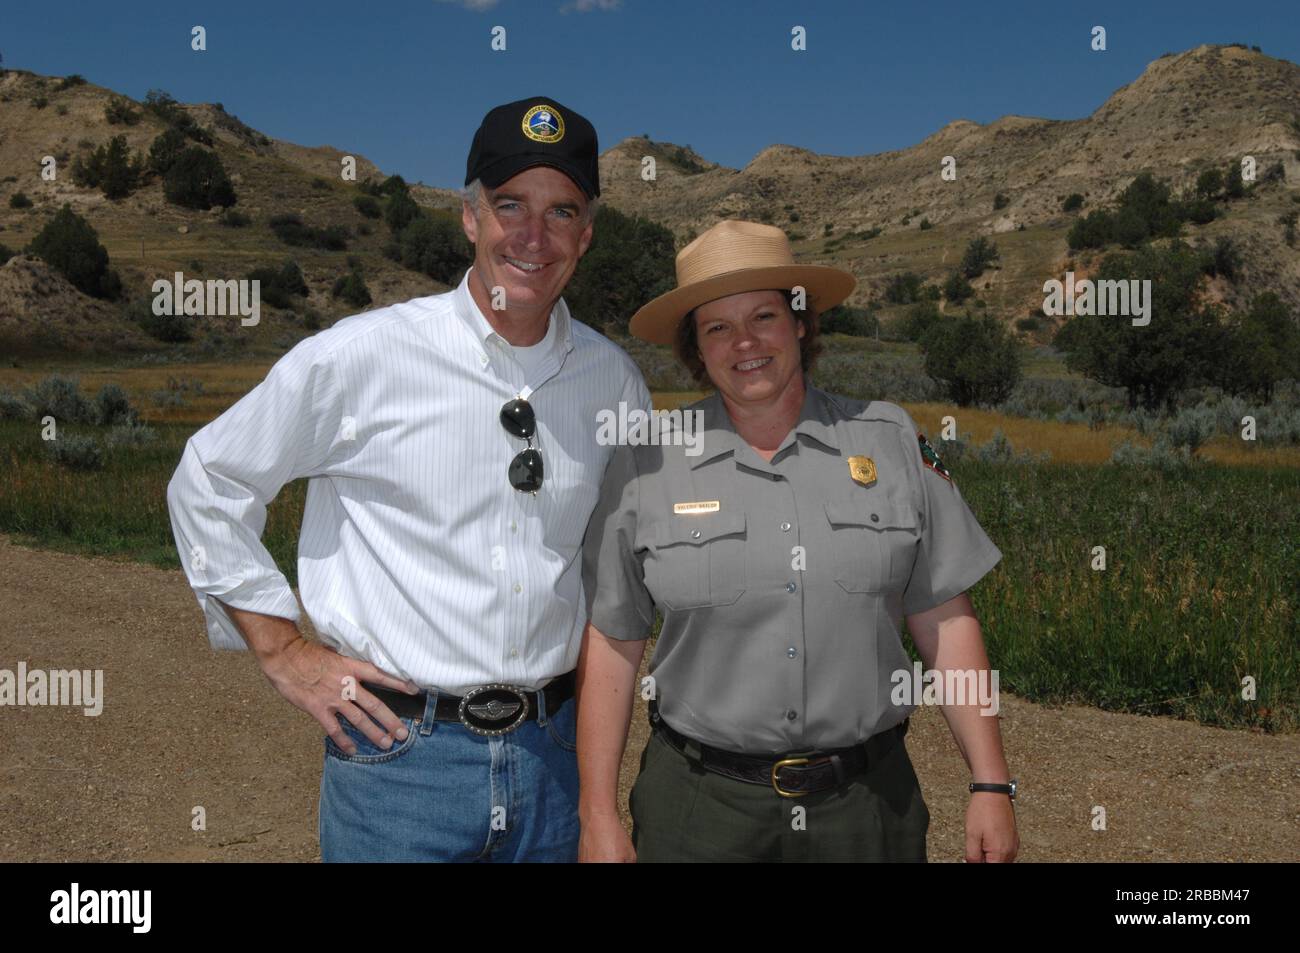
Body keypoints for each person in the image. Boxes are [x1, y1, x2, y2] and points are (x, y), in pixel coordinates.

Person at [167, 96, 651, 862]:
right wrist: (283, 649)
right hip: (399, 765)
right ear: (470, 217)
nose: (533, 235)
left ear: (586, 235)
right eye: (509, 206)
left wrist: (599, 806)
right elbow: (209, 478)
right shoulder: (364, 356)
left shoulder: (614, 383)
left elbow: (616, 589)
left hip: (554, 763)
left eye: (561, 212)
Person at [576, 220, 1019, 862]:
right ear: (696, 349)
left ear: (802, 326)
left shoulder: (888, 440)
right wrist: (598, 817)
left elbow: (944, 617)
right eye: (717, 327)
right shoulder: (647, 461)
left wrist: (990, 780)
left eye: (764, 316)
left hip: (868, 808)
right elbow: (614, 642)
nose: (745, 343)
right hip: (698, 812)